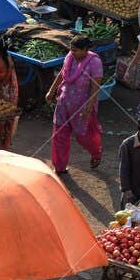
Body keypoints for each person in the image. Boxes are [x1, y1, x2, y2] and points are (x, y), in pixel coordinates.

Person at [46, 35, 103, 175]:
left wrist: (89, 107)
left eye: (76, 50)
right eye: (71, 50)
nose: (73, 53)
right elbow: (62, 73)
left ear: (85, 50)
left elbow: (96, 87)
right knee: (59, 134)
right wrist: (51, 91)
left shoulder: (94, 62)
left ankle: (96, 153)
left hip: (82, 106)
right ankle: (60, 167)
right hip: (64, 102)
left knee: (84, 136)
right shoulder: (70, 57)